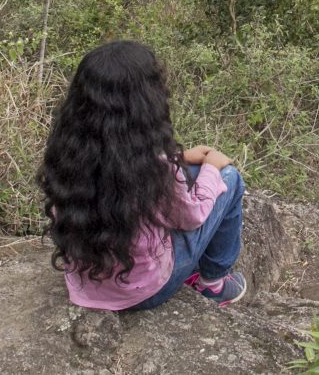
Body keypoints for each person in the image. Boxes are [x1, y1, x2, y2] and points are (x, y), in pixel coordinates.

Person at [37, 40, 247, 311]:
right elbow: (191, 216)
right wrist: (211, 169)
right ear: (145, 102)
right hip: (145, 291)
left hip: (86, 287)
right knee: (230, 178)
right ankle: (213, 283)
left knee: (195, 175)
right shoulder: (154, 171)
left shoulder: (67, 155)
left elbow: (114, 167)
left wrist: (178, 158)